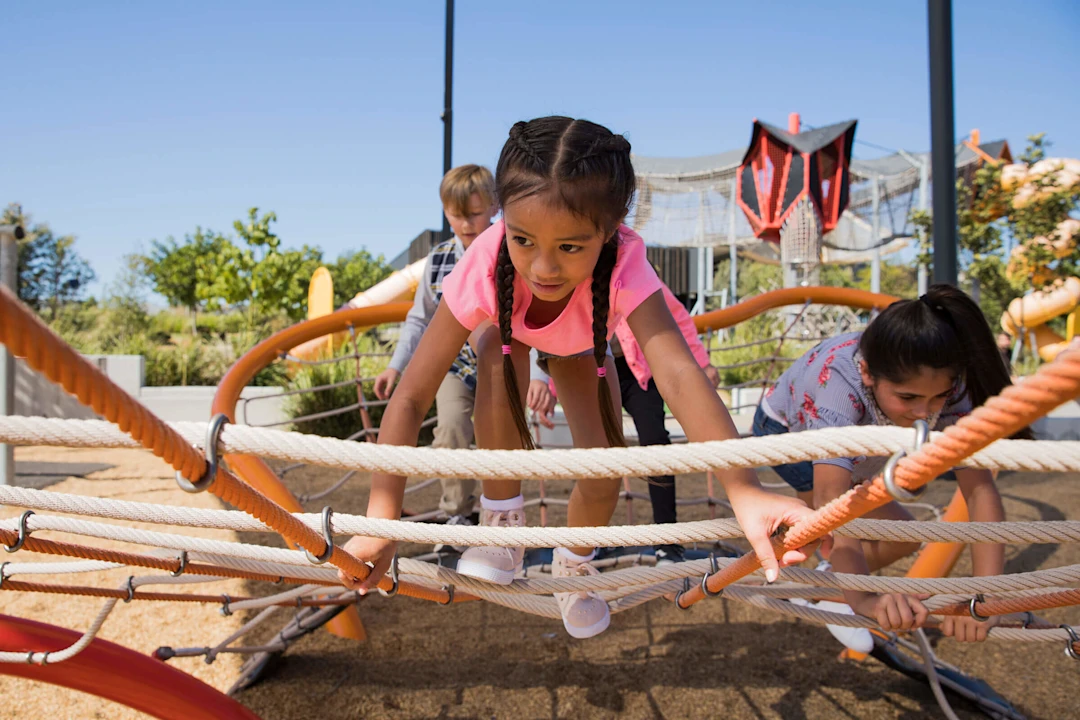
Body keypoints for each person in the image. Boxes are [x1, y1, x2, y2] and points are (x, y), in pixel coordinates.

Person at [340, 116, 816, 639]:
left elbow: (679, 375)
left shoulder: (625, 260)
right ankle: (501, 523)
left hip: (583, 346)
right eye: (524, 239)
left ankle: (574, 562)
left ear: (610, 230)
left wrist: (744, 489)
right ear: (503, 217)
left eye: (570, 247)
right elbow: (412, 395)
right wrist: (380, 518)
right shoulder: (486, 260)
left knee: (604, 465)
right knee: (496, 348)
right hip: (506, 339)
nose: (543, 267)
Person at [752, 284, 1025, 648]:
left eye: (938, 397)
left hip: (863, 442)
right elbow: (832, 502)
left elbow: (979, 490)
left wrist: (987, 595)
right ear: (867, 372)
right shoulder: (840, 386)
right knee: (823, 530)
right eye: (908, 397)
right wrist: (864, 600)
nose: (924, 412)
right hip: (788, 430)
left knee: (904, 538)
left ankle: (827, 585)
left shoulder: (951, 391)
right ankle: (833, 589)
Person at [373, 164, 555, 539]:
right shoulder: (439, 259)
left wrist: (540, 375)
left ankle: (502, 513)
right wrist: (396, 365)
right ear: (445, 212)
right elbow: (419, 318)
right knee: (452, 428)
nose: (467, 223)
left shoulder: (514, 250)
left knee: (505, 436)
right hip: (454, 365)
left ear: (494, 206)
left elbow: (535, 316)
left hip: (506, 364)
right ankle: (457, 514)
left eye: (474, 213)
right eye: (457, 215)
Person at [611, 284, 720, 565]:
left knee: (656, 442)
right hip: (595, 369)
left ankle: (667, 541)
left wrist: (702, 363)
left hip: (638, 371)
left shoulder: (633, 271)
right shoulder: (576, 272)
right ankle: (590, 541)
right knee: (598, 450)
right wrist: (549, 384)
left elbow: (676, 316)